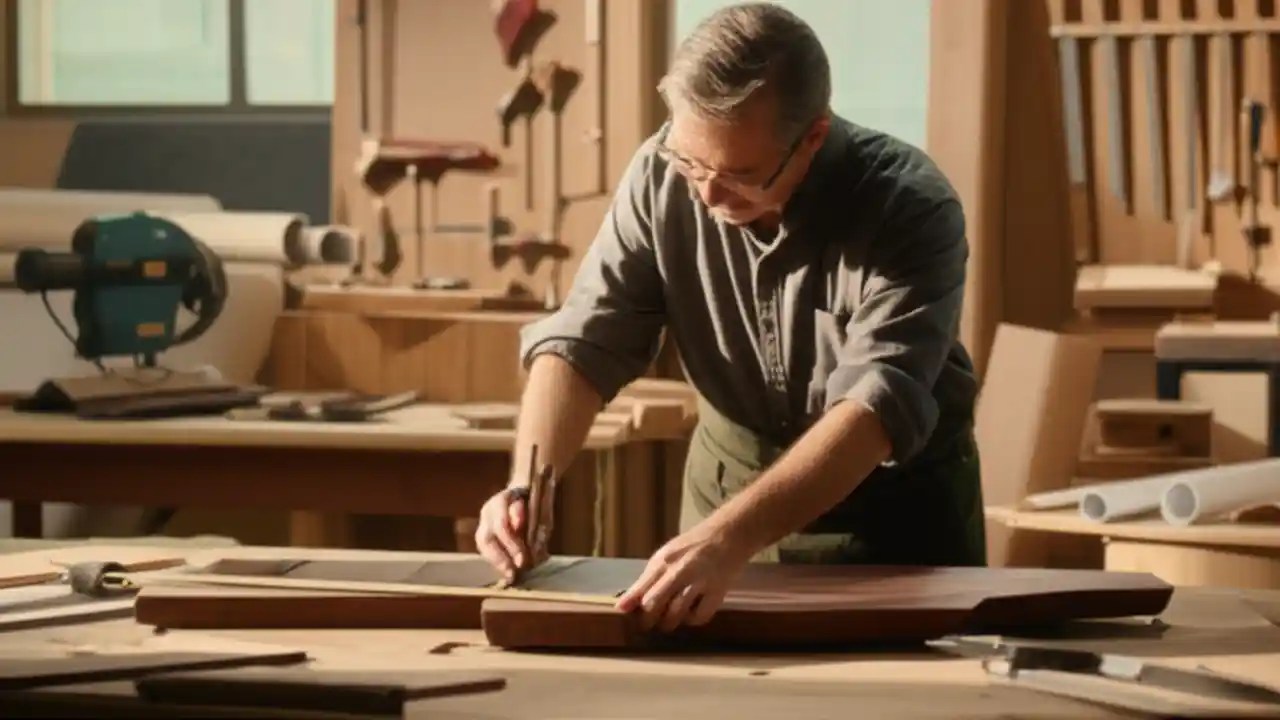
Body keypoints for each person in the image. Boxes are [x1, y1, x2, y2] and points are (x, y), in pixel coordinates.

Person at [475, 2, 984, 633]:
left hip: (889, 522)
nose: (708, 198)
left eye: (739, 178)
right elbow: (585, 337)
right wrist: (527, 486)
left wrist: (727, 539)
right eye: (692, 163)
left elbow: (876, 408)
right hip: (719, 514)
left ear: (814, 137)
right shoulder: (662, 175)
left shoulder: (910, 206)